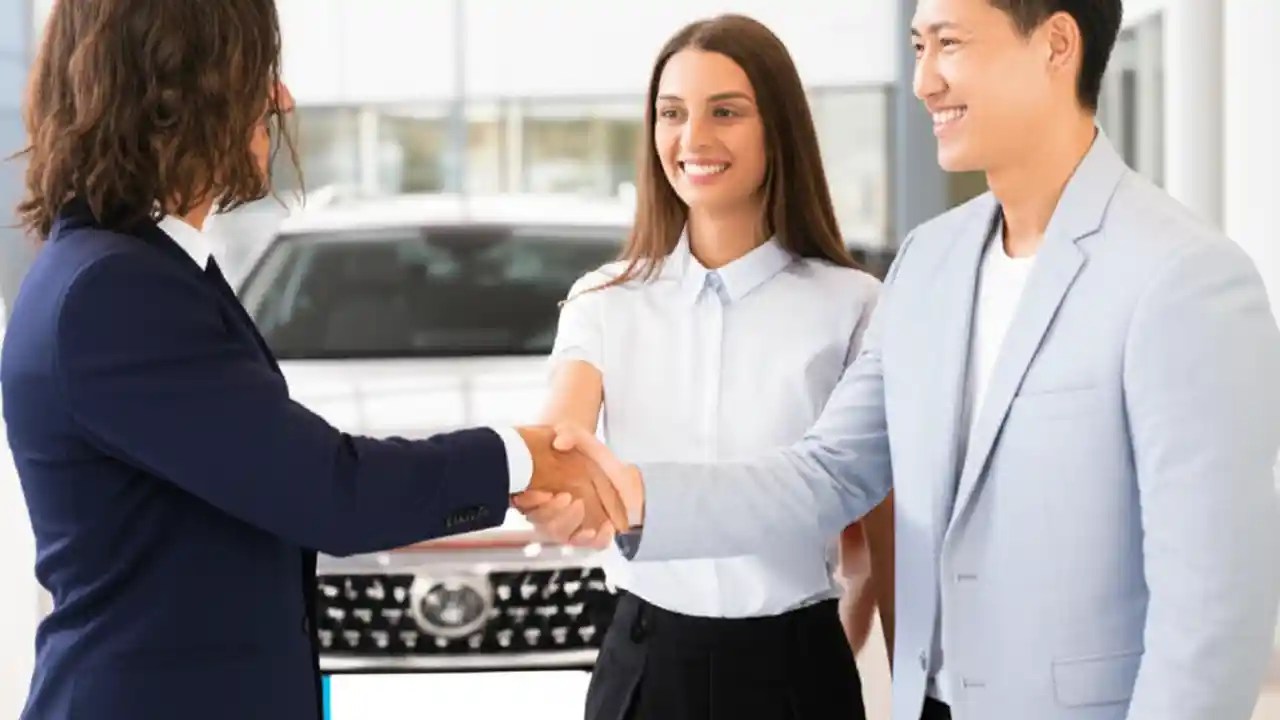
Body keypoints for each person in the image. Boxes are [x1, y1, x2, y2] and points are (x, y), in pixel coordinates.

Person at [524, 1, 1280, 719]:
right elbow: (827, 474)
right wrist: (636, 496)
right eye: (919, 47)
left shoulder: (1182, 276)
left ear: (1055, 45)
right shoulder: (930, 260)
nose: (924, 80)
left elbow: (1211, 610)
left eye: (950, 43)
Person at [1, 3, 622, 719]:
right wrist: (525, 457)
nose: (281, 101)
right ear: (172, 86)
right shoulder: (115, 291)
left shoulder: (123, 271)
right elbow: (332, 493)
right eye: (257, 74)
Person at [513, 15, 892, 719]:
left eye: (726, 112)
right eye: (672, 113)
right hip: (649, 665)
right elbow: (561, 437)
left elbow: (881, 531)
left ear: (777, 126)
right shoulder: (605, 301)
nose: (693, 139)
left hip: (797, 667)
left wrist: (889, 674)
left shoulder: (856, 307)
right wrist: (558, 492)